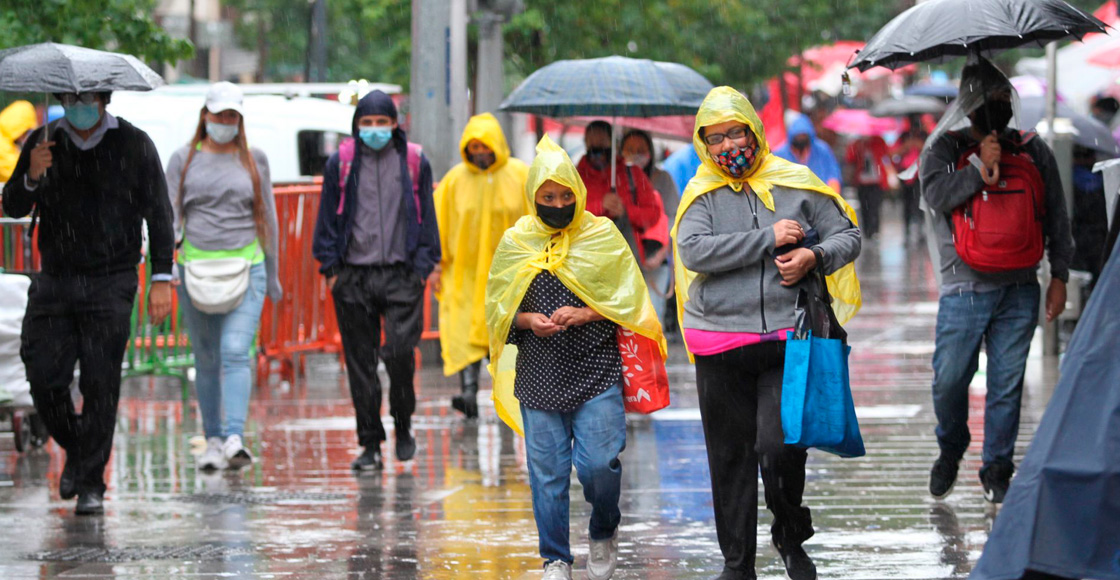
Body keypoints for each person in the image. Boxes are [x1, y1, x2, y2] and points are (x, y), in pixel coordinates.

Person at [672, 86, 862, 580]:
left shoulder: (796, 183)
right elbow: (694, 250)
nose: (728, 146)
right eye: (716, 138)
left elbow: (849, 234)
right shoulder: (701, 193)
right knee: (729, 459)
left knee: (780, 448)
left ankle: (790, 535)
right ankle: (737, 564)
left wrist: (813, 256)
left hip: (786, 341)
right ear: (704, 144)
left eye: (735, 133)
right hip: (718, 342)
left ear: (754, 131)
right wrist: (767, 238)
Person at [486, 136, 666, 580]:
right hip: (538, 376)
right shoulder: (516, 242)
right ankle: (555, 558)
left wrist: (586, 312)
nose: (558, 205)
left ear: (579, 194)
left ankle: (603, 530)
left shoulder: (601, 235)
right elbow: (498, 312)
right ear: (533, 196)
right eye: (547, 197)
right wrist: (528, 320)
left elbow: (630, 300)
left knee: (599, 465)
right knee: (547, 475)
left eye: (566, 196)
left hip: (596, 370)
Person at [2, 90, 175, 514]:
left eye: (87, 97)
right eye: (70, 97)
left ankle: (91, 482)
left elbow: (159, 212)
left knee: (100, 381)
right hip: (56, 278)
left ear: (104, 99)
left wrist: (161, 277)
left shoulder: (134, 144)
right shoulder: (43, 141)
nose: (78, 104)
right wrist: (32, 175)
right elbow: (13, 205)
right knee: (43, 375)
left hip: (111, 279)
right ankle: (80, 451)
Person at [919, 57, 1072, 505]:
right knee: (949, 380)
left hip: (1020, 287)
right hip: (963, 287)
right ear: (969, 103)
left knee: (1007, 384)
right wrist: (976, 168)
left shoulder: (1032, 149)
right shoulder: (943, 149)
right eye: (992, 98)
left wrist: (1059, 274)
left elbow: (1056, 215)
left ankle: (997, 468)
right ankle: (952, 445)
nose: (1001, 105)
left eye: (1006, 97)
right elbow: (935, 196)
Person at [311, 90, 439, 470]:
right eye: (367, 123)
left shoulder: (414, 161)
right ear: (357, 126)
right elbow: (326, 219)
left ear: (395, 124)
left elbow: (428, 218)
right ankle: (370, 444)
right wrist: (331, 269)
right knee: (360, 365)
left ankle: (403, 424)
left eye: (382, 122)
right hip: (353, 276)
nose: (375, 129)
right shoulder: (341, 163)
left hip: (402, 275)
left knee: (399, 354)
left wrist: (422, 268)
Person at [165, 82, 282, 471]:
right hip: (195, 269)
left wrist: (274, 274)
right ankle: (213, 438)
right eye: (219, 114)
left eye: (232, 115)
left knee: (234, 351)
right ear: (205, 115)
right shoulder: (182, 160)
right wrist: (167, 267)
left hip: (247, 267)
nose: (225, 122)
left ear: (240, 119)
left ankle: (234, 437)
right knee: (206, 356)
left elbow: (268, 217)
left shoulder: (254, 159)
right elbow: (170, 215)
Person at [433, 112, 528, 419]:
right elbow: (439, 225)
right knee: (465, 333)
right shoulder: (454, 181)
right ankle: (468, 392)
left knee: (505, 335)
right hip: (464, 275)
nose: (481, 152)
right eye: (474, 147)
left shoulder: (520, 175)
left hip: (510, 276)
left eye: (485, 145)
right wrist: (436, 266)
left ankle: (509, 397)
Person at [576, 120, 663, 260]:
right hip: (587, 256)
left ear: (613, 144)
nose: (597, 150)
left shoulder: (633, 174)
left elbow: (653, 214)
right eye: (592, 144)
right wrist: (600, 206)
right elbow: (570, 214)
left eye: (602, 143)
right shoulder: (575, 177)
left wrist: (626, 211)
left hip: (626, 255)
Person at [621, 129, 680, 325]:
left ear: (650, 152)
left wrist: (662, 252)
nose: (635, 154)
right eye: (630, 149)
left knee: (652, 319)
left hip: (655, 259)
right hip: (624, 260)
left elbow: (674, 217)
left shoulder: (662, 179)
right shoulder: (616, 179)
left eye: (641, 150)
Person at [1069, 145, 1109, 289]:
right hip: (1099, 238)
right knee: (1098, 282)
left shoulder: (1068, 178)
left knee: (1078, 283)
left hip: (1077, 237)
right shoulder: (1103, 178)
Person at [773, 113, 843, 193]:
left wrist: (832, 195)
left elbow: (833, 175)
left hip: (820, 195)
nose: (801, 139)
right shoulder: (780, 154)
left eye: (804, 136)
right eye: (798, 136)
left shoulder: (822, 150)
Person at [845, 135, 896, 240]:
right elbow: (850, 158)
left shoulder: (878, 141)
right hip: (862, 182)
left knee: (875, 206)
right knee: (864, 207)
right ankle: (867, 232)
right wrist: (859, 148)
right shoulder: (857, 144)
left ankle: (875, 231)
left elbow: (887, 155)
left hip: (876, 181)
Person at [0, 100, 37, 182]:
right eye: (26, 131)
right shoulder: (2, 144)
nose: (25, 136)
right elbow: (16, 172)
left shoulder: (6, 139)